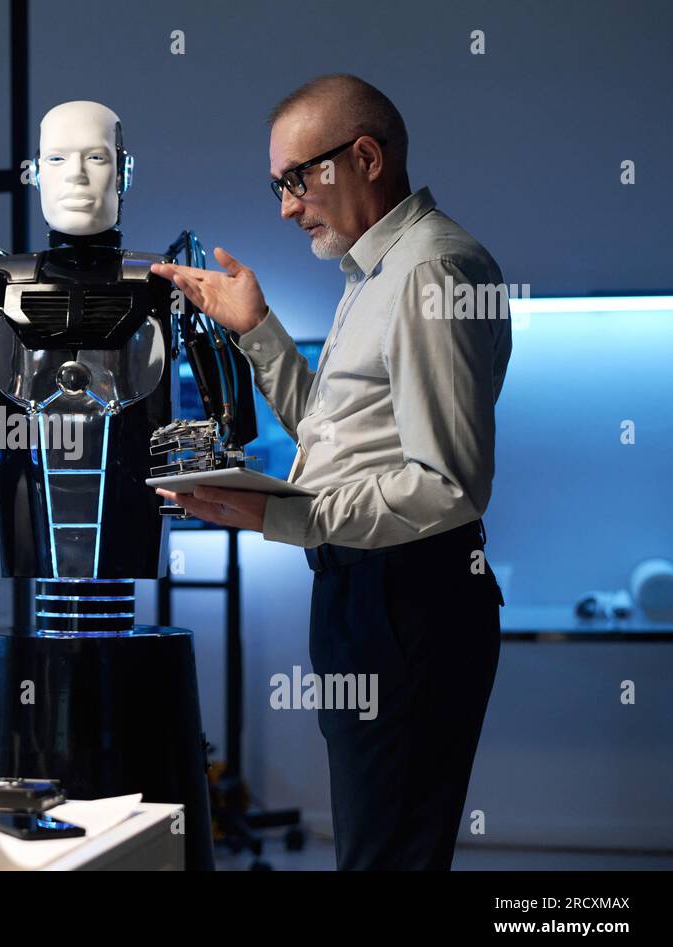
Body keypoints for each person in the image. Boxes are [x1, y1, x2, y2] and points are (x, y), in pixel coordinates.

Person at [151, 74, 511, 869]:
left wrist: (279, 515)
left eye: (293, 180)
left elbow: (448, 485)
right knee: (376, 848)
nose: (285, 206)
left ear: (366, 157)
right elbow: (337, 431)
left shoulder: (428, 273)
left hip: (406, 598)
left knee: (385, 857)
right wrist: (257, 328)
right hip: (366, 596)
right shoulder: (374, 275)